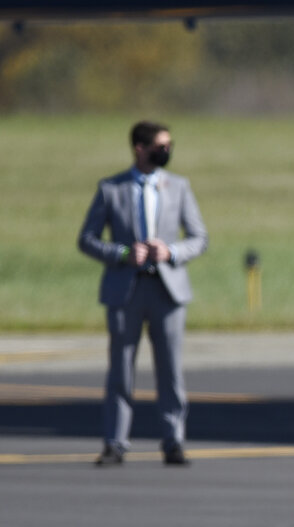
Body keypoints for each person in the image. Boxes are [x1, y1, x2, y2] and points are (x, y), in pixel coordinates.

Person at [78, 120, 209, 466]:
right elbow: (87, 239)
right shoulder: (111, 188)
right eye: (160, 145)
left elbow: (199, 237)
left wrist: (171, 252)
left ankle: (173, 439)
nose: (166, 151)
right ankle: (115, 442)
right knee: (121, 368)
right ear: (140, 148)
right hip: (126, 288)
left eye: (168, 145)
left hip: (167, 289)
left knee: (170, 369)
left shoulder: (179, 187)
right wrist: (122, 253)